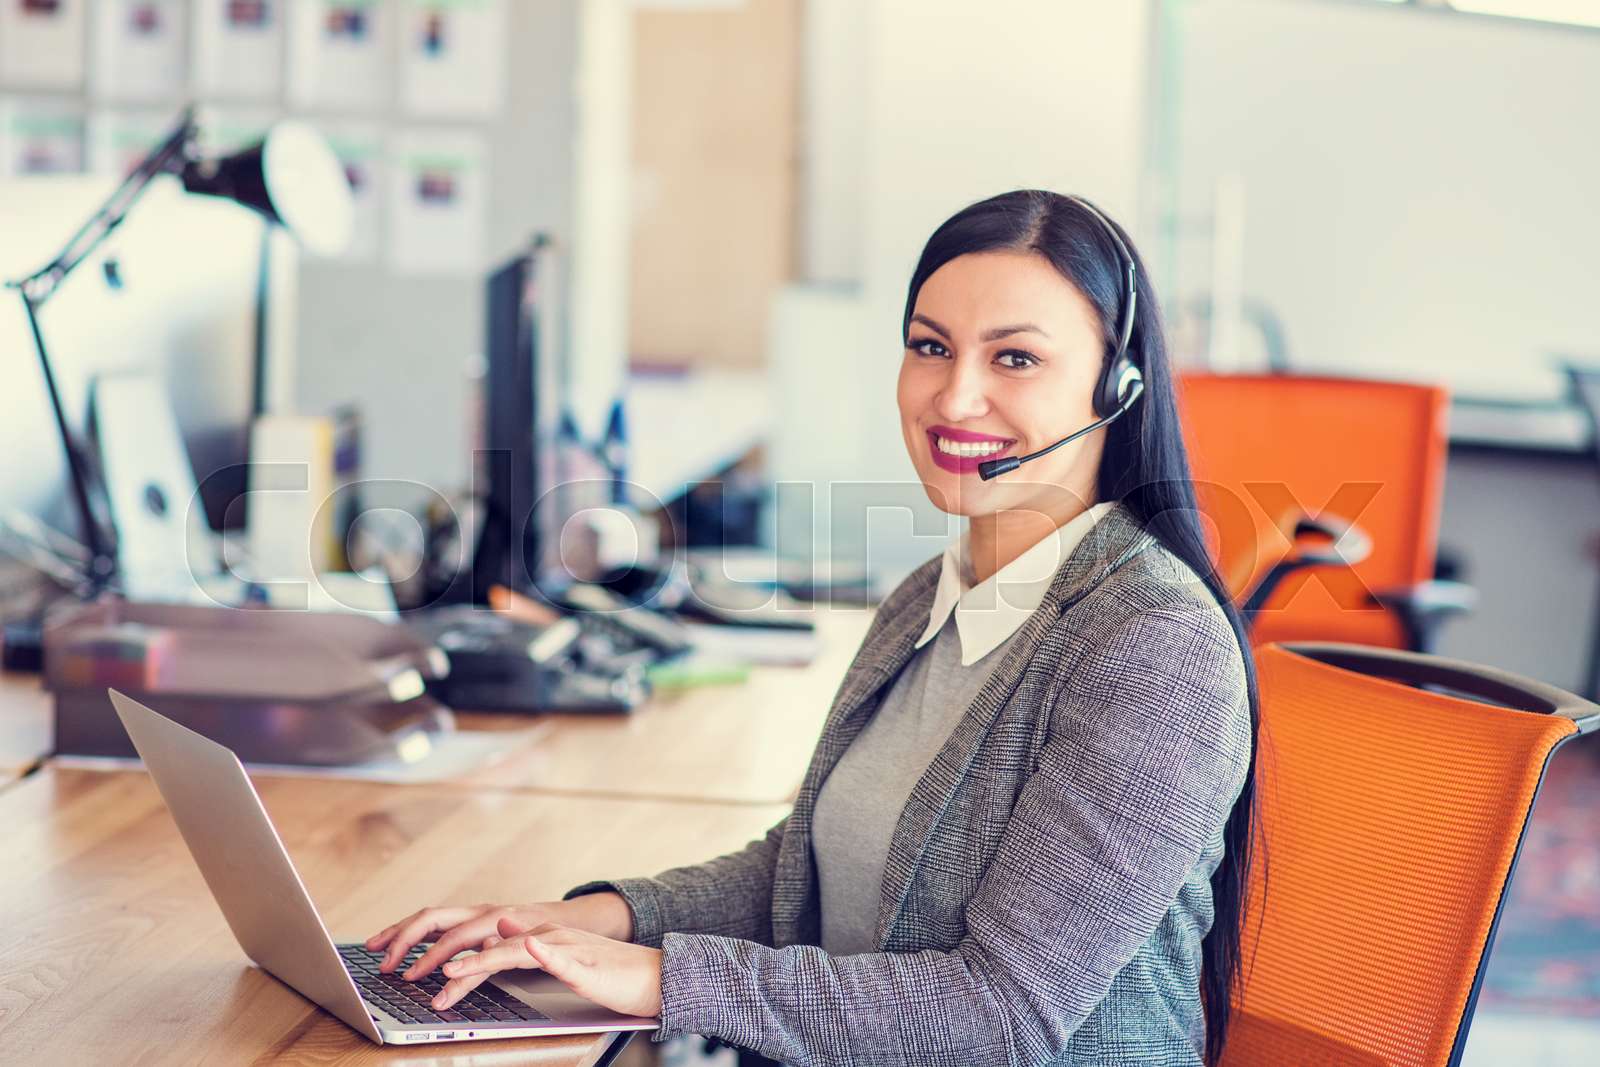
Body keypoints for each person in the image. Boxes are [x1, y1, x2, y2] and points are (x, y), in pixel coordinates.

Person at [366, 190, 1262, 1067]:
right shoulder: (928, 595)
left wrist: (663, 978)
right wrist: (583, 920)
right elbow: (809, 875)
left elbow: (998, 1015)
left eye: (1015, 359)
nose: (955, 398)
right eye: (930, 347)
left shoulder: (1153, 649)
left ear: (1118, 385)